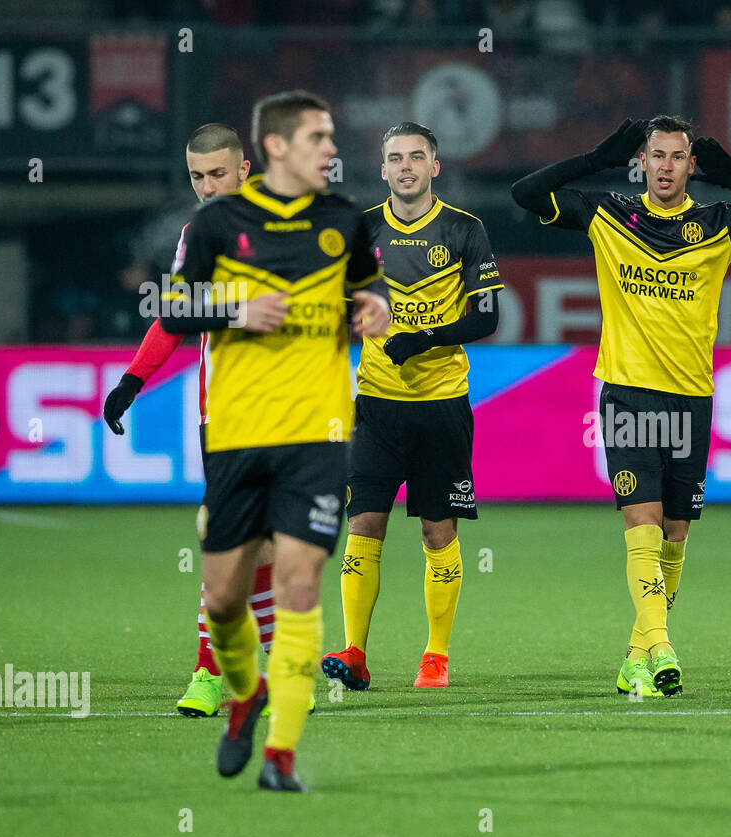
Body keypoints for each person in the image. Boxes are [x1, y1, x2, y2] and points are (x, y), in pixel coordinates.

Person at [512, 116, 731, 697]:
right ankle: (664, 648)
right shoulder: (608, 214)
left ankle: (636, 655)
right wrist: (594, 157)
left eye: (678, 156)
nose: (667, 165)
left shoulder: (720, 223)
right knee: (642, 525)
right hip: (626, 391)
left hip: (691, 398)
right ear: (642, 161)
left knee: (675, 534)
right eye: (657, 155)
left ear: (691, 165)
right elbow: (524, 194)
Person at [160, 90, 390, 791]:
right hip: (235, 431)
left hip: (318, 433)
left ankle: (281, 754)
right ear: (280, 147)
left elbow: (368, 290)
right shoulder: (217, 224)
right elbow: (172, 309)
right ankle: (243, 695)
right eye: (319, 136)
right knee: (225, 597)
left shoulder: (344, 222)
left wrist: (372, 308)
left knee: (297, 585)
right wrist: (235, 307)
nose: (332, 148)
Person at [102, 124, 317, 719]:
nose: (206, 186)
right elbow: (177, 316)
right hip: (223, 412)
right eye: (197, 176)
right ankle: (208, 671)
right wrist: (131, 381)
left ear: (245, 169)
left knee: (270, 545)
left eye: (217, 173)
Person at [320, 122, 503, 692]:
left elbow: (488, 317)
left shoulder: (464, 229)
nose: (405, 167)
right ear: (382, 169)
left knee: (436, 532)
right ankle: (354, 652)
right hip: (376, 405)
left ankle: (436, 656)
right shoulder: (361, 229)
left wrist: (420, 339)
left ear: (434, 166)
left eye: (416, 157)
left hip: (441, 405)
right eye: (395, 158)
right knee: (363, 524)